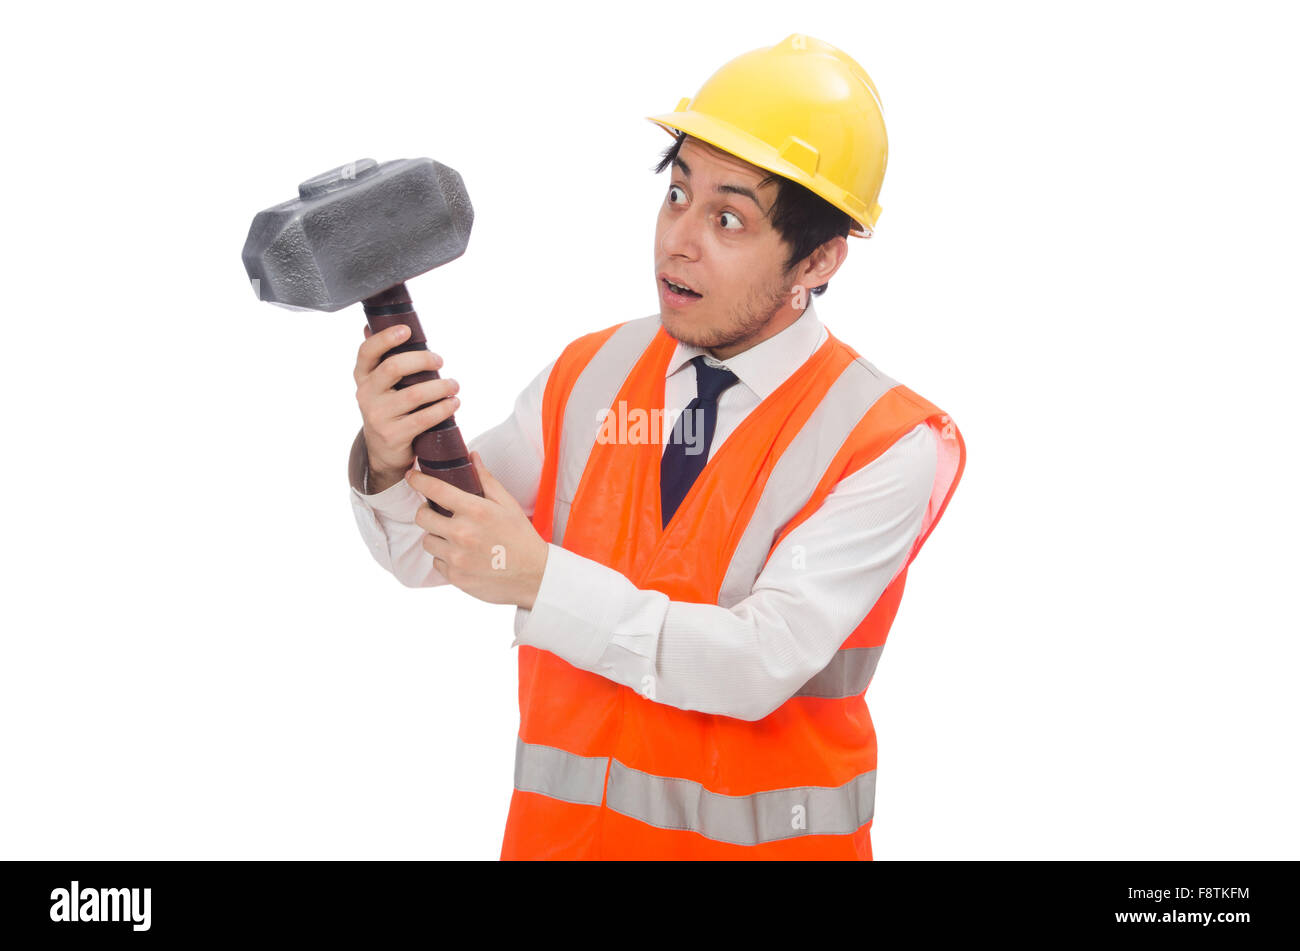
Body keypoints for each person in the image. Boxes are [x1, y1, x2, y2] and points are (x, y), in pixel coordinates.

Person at [346, 34, 965, 859]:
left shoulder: (884, 442)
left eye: (729, 218)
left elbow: (757, 661)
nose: (679, 239)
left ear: (816, 259)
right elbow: (436, 553)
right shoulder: (591, 373)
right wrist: (391, 456)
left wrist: (536, 575)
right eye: (677, 194)